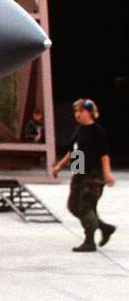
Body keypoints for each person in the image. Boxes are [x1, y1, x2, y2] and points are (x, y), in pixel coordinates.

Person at [50, 99, 116, 252]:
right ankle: (104, 228)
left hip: (93, 174)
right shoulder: (78, 130)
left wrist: (107, 173)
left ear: (90, 113)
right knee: (73, 206)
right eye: (76, 112)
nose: (77, 114)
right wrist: (59, 166)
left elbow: (104, 154)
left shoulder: (97, 131)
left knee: (86, 206)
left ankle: (89, 241)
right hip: (79, 171)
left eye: (81, 111)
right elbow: (72, 152)